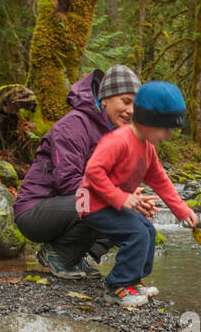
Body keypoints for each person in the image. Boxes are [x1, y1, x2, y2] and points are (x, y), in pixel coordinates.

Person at [76, 81, 198, 309]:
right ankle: (116, 286)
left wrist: (182, 210)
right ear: (148, 121)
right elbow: (93, 171)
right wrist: (121, 197)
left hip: (111, 204)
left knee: (148, 230)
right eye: (167, 129)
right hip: (92, 204)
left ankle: (133, 281)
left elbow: (160, 180)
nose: (170, 136)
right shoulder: (119, 141)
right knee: (135, 233)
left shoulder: (147, 148)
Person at [13, 64, 141, 278]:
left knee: (131, 209)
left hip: (69, 207)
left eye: (135, 105)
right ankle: (58, 255)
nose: (131, 111)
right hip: (34, 211)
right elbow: (68, 181)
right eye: (126, 102)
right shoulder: (74, 124)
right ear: (106, 98)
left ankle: (77, 257)